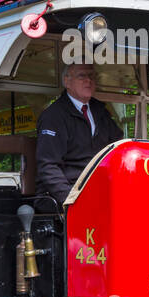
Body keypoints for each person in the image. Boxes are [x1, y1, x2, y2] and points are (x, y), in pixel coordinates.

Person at [36, 63, 124, 203]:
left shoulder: (101, 111)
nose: (88, 80)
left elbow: (119, 149)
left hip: (98, 190)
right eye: (82, 76)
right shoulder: (53, 116)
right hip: (64, 194)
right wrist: (70, 200)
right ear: (67, 82)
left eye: (91, 76)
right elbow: (48, 165)